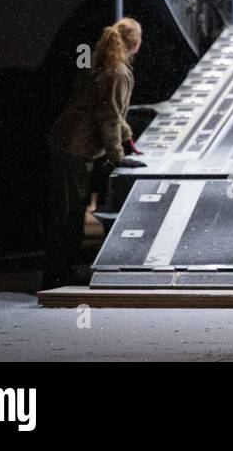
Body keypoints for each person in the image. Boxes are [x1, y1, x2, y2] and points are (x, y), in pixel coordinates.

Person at [42, 17, 144, 289]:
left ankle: (60, 268)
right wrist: (119, 156)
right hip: (77, 147)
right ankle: (60, 272)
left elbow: (113, 116)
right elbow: (109, 117)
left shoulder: (103, 64)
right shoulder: (118, 73)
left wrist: (127, 138)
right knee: (68, 212)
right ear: (135, 43)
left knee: (67, 209)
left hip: (69, 141)